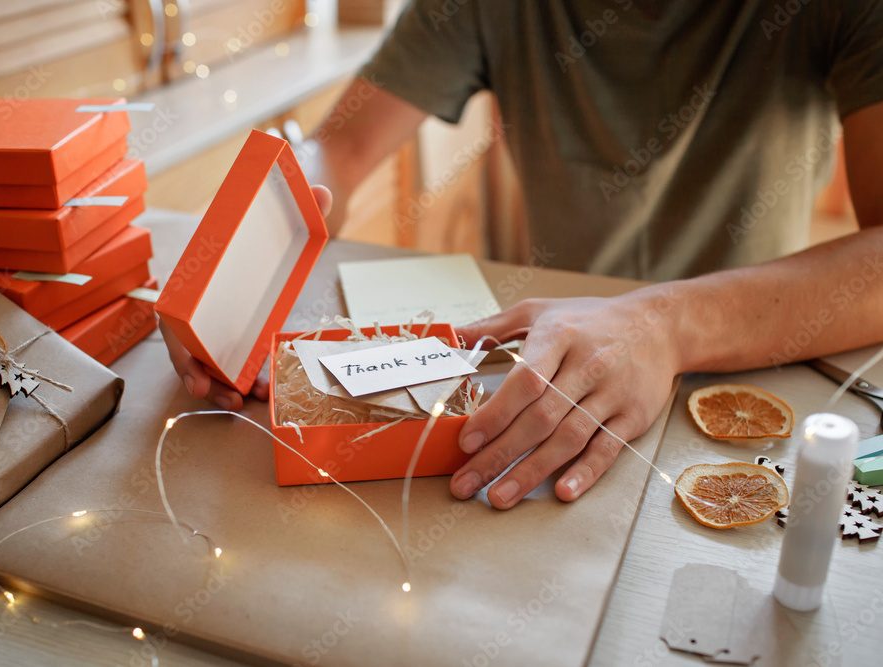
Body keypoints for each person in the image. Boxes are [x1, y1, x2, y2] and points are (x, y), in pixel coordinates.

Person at [163, 0, 883, 510]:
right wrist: (241, 247)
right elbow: (341, 149)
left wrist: (667, 322)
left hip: (753, 369)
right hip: (538, 369)